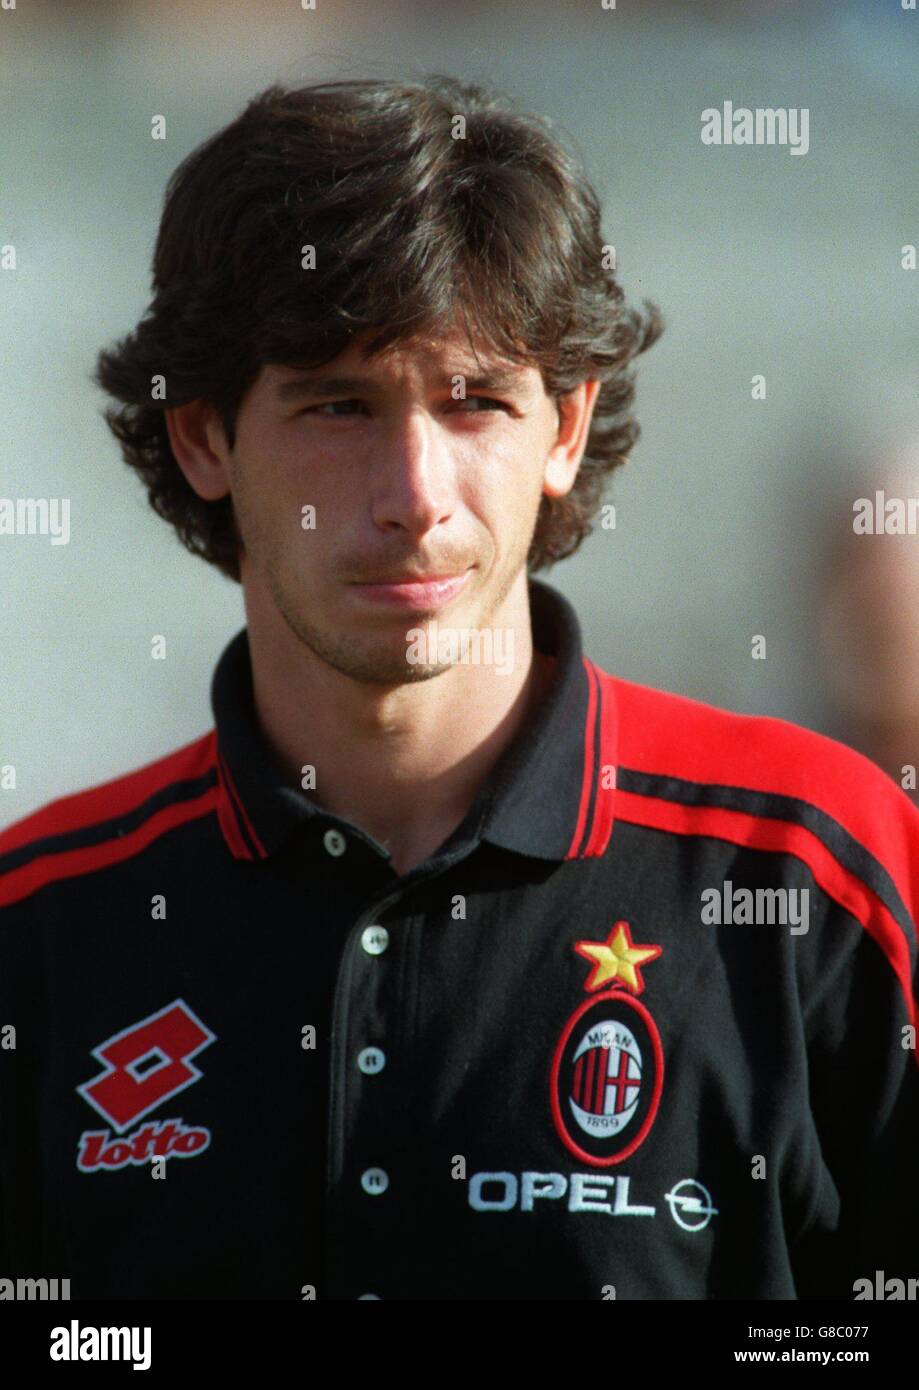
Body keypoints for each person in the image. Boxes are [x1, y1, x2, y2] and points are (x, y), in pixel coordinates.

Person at [1, 76, 916, 1302]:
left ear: (564, 428)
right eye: (339, 404)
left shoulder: (812, 864)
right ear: (203, 437)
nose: (415, 494)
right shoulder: (44, 924)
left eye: (475, 400)